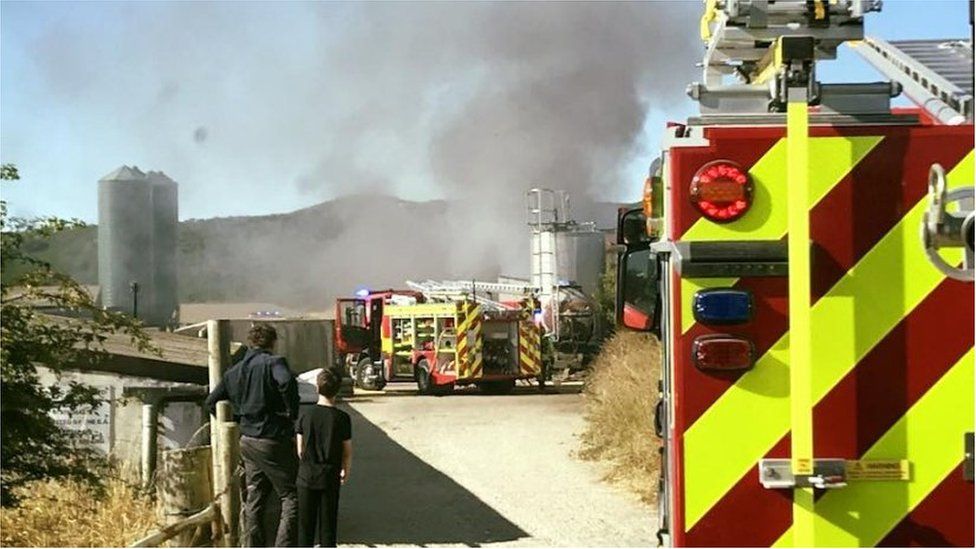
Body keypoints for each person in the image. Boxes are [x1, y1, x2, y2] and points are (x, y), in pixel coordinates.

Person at [206, 323, 300, 547]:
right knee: (290, 496)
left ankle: (253, 545)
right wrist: (291, 412)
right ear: (272, 343)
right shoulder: (274, 362)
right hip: (272, 439)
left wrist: (238, 419)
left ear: (250, 342)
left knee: (255, 497)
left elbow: (211, 402)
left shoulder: (234, 371)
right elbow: (286, 382)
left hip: (247, 440)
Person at [296, 369, 352, 548]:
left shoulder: (305, 415)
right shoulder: (342, 418)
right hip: (329, 475)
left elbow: (300, 449)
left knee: (305, 527)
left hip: (306, 476)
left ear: (317, 388)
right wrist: (345, 469)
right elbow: (347, 450)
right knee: (328, 527)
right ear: (337, 390)